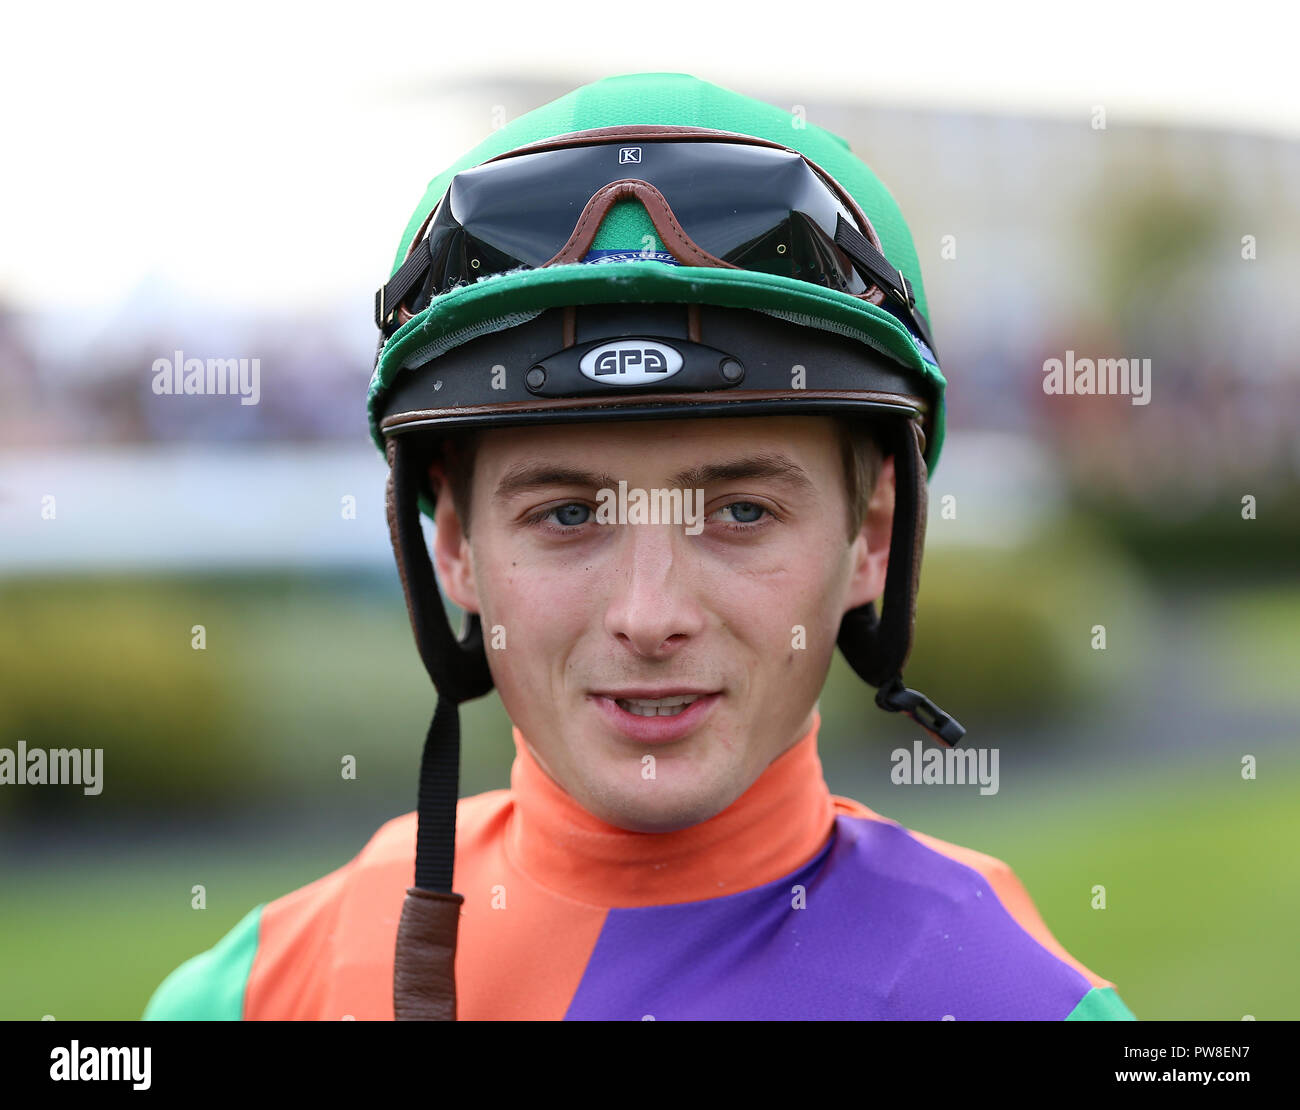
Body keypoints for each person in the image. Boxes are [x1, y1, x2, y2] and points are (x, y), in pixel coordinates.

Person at [143, 71, 1135, 1021]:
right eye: (568, 516)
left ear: (869, 539)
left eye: (740, 512)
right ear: (453, 544)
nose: (648, 616)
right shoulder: (247, 996)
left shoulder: (1022, 1004)